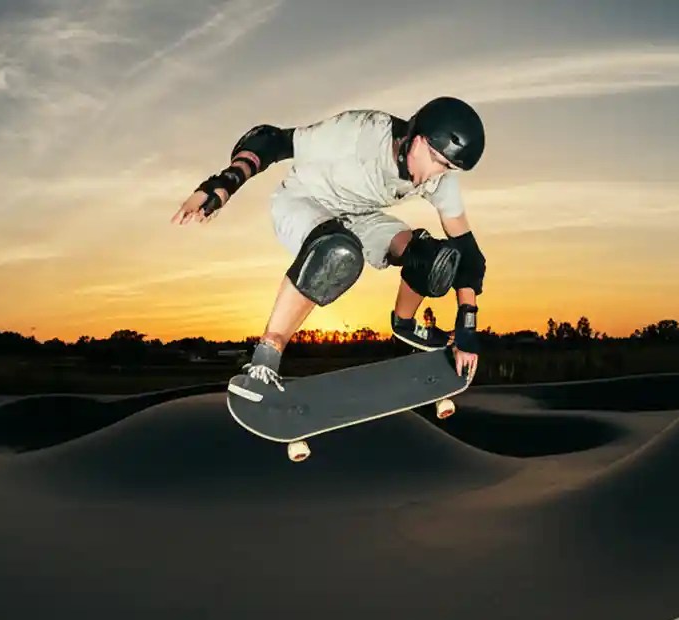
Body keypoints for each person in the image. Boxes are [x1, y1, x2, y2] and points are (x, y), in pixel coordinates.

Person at [170, 96, 487, 402]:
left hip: (360, 216)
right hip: (304, 201)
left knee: (434, 258)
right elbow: (272, 141)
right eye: (435, 161)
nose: (434, 175)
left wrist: (467, 329)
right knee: (338, 253)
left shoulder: (439, 180)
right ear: (416, 139)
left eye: (447, 167)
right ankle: (265, 358)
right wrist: (224, 184)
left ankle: (404, 324)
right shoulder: (358, 132)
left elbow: (468, 254)